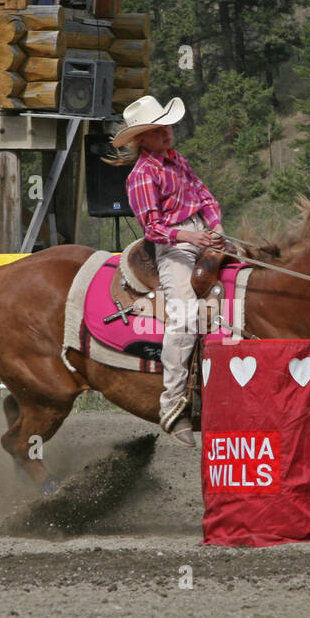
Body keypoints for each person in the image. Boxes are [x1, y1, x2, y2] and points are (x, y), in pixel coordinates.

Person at [111, 95, 225, 446]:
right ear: (142, 138)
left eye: (167, 126)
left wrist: (216, 228)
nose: (167, 133)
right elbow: (152, 228)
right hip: (173, 247)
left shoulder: (178, 161)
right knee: (186, 317)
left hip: (202, 235)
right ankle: (173, 404)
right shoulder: (142, 175)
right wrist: (191, 234)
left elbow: (206, 197)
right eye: (158, 129)